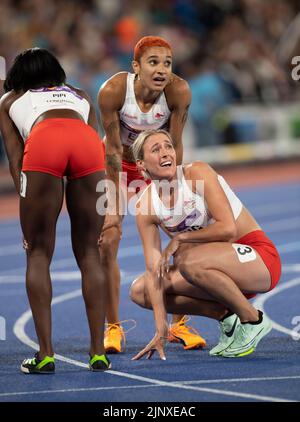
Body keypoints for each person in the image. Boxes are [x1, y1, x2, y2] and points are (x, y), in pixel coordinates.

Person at [0, 48, 110, 373]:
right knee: (91, 251)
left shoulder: (9, 100)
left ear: (20, 76)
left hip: (44, 142)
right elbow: (95, 140)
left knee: (37, 253)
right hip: (88, 145)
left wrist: (28, 220)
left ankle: (46, 354)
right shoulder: (80, 95)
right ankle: (98, 351)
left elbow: (16, 160)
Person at [129, 129, 281, 360]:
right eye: (156, 149)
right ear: (141, 164)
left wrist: (181, 238)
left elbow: (227, 228)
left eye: (168, 146)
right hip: (215, 277)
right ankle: (225, 316)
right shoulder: (145, 206)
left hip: (257, 260)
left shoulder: (196, 173)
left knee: (187, 259)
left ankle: (253, 319)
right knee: (140, 291)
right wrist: (161, 329)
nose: (165, 153)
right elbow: (154, 271)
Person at [98, 35, 206, 354]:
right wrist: (116, 206)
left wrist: (175, 191)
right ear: (136, 66)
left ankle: (179, 324)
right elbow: (113, 149)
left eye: (167, 63)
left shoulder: (179, 91)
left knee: (184, 233)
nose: (162, 70)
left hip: (157, 166)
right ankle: (113, 327)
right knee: (107, 239)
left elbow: (175, 144)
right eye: (153, 62)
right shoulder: (113, 90)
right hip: (117, 165)